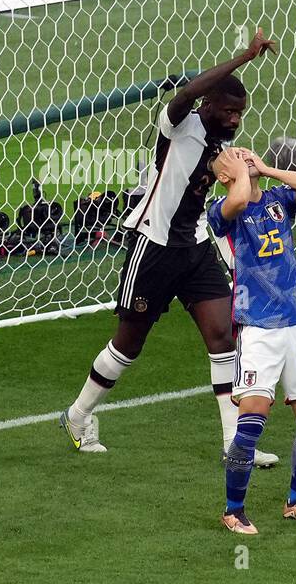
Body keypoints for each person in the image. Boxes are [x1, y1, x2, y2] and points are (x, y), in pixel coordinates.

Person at [59, 29, 280, 468]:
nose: (236, 120)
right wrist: (244, 57)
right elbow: (189, 91)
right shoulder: (179, 124)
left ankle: (234, 444)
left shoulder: (221, 141)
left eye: (240, 113)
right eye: (230, 111)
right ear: (210, 105)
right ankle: (78, 415)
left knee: (223, 336)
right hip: (154, 246)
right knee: (129, 344)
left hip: (194, 247)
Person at [207, 146, 296, 535]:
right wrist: (239, 175)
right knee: (252, 423)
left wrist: (266, 168)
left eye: (246, 151)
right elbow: (240, 197)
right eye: (233, 156)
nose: (243, 153)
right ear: (224, 177)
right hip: (258, 329)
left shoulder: (278, 199)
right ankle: (233, 510)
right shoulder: (223, 210)